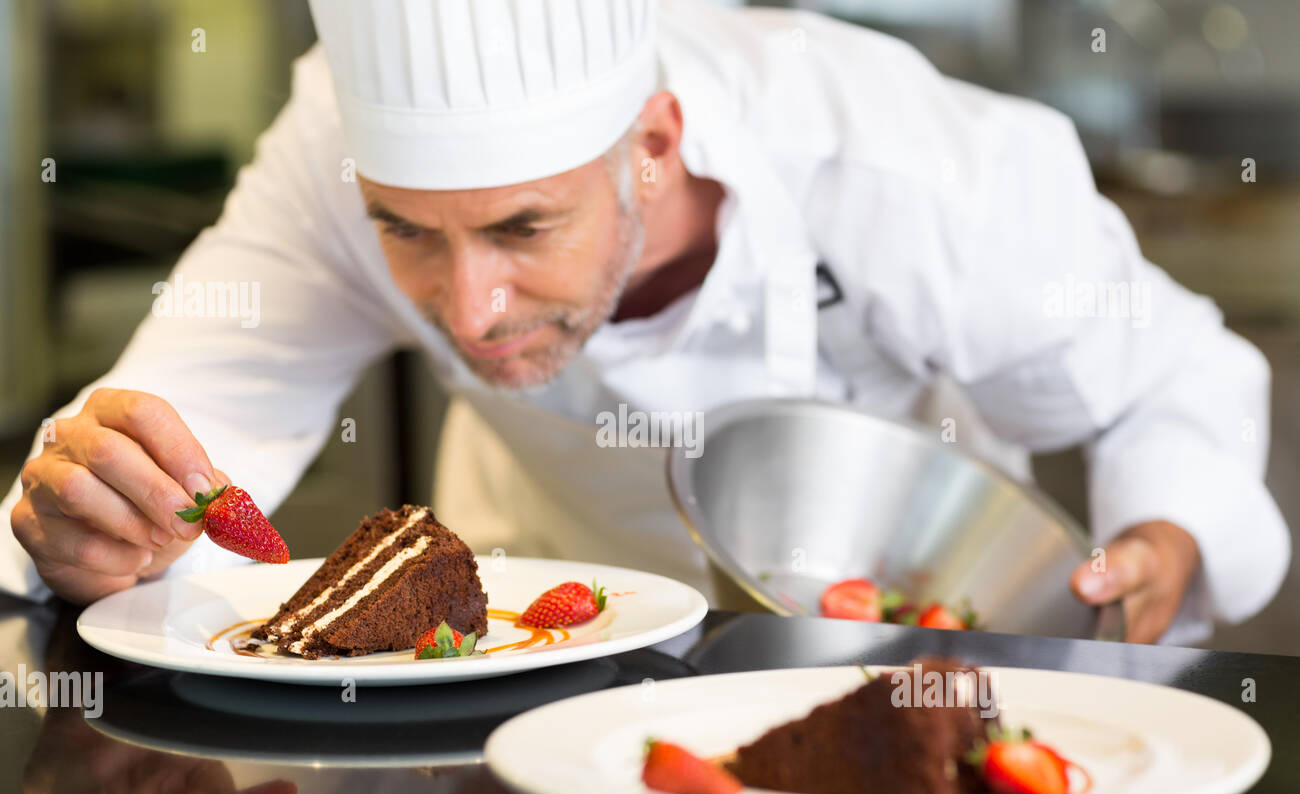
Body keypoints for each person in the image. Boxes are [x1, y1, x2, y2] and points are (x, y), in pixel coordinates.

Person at [1, 0, 1288, 645]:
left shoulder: (903, 169)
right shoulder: (332, 151)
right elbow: (177, 435)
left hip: (887, 625)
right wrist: (100, 518)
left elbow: (1164, 375)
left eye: (523, 229)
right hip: (518, 639)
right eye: (406, 230)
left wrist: (1165, 533)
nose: (468, 309)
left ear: (655, 149)